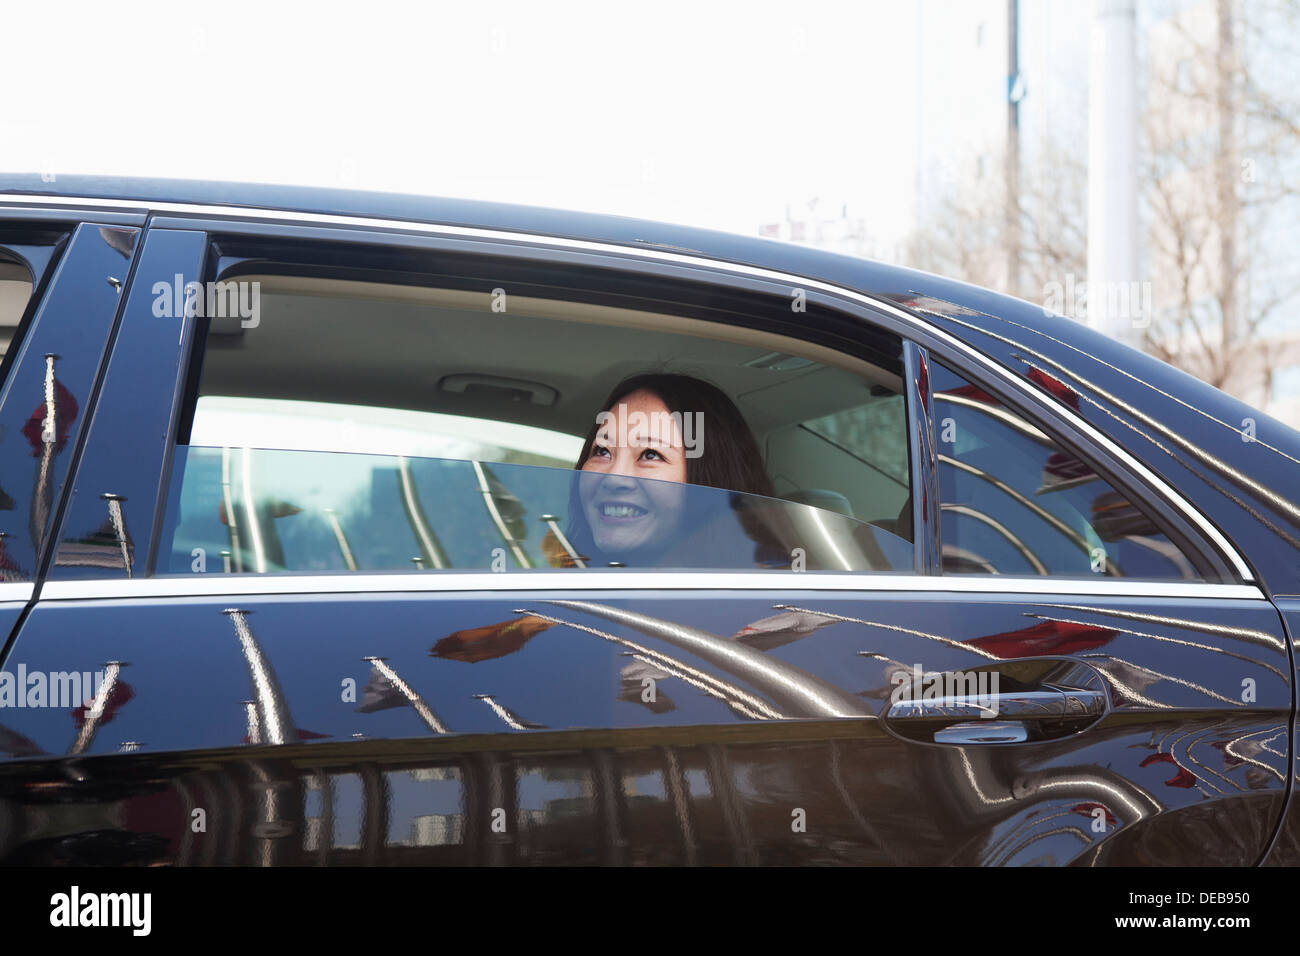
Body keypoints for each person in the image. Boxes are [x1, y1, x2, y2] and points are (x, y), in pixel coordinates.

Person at [544, 373, 779, 568]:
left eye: (651, 454)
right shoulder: (558, 590)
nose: (614, 478)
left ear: (710, 483)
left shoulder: (765, 606)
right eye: (602, 451)